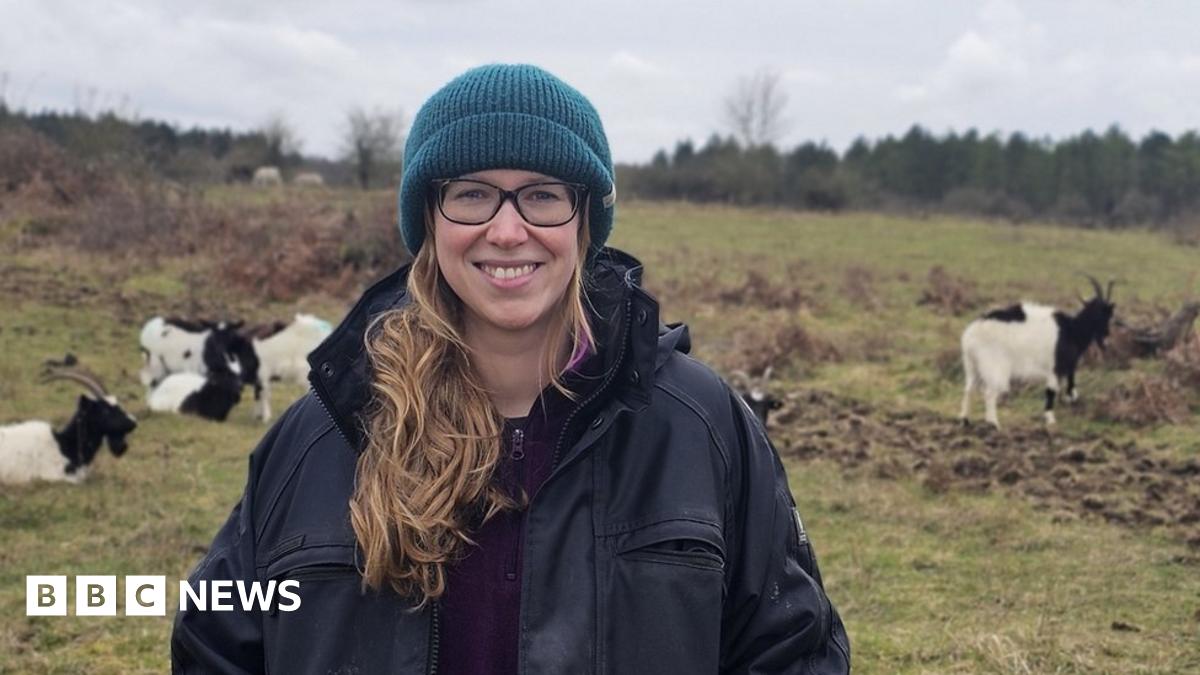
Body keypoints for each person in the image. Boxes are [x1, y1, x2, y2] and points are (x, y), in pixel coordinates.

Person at [171, 63, 850, 674]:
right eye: (472, 193)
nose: (506, 229)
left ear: (586, 219)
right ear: (428, 218)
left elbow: (793, 651)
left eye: (543, 194)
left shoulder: (698, 428)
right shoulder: (320, 438)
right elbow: (214, 650)